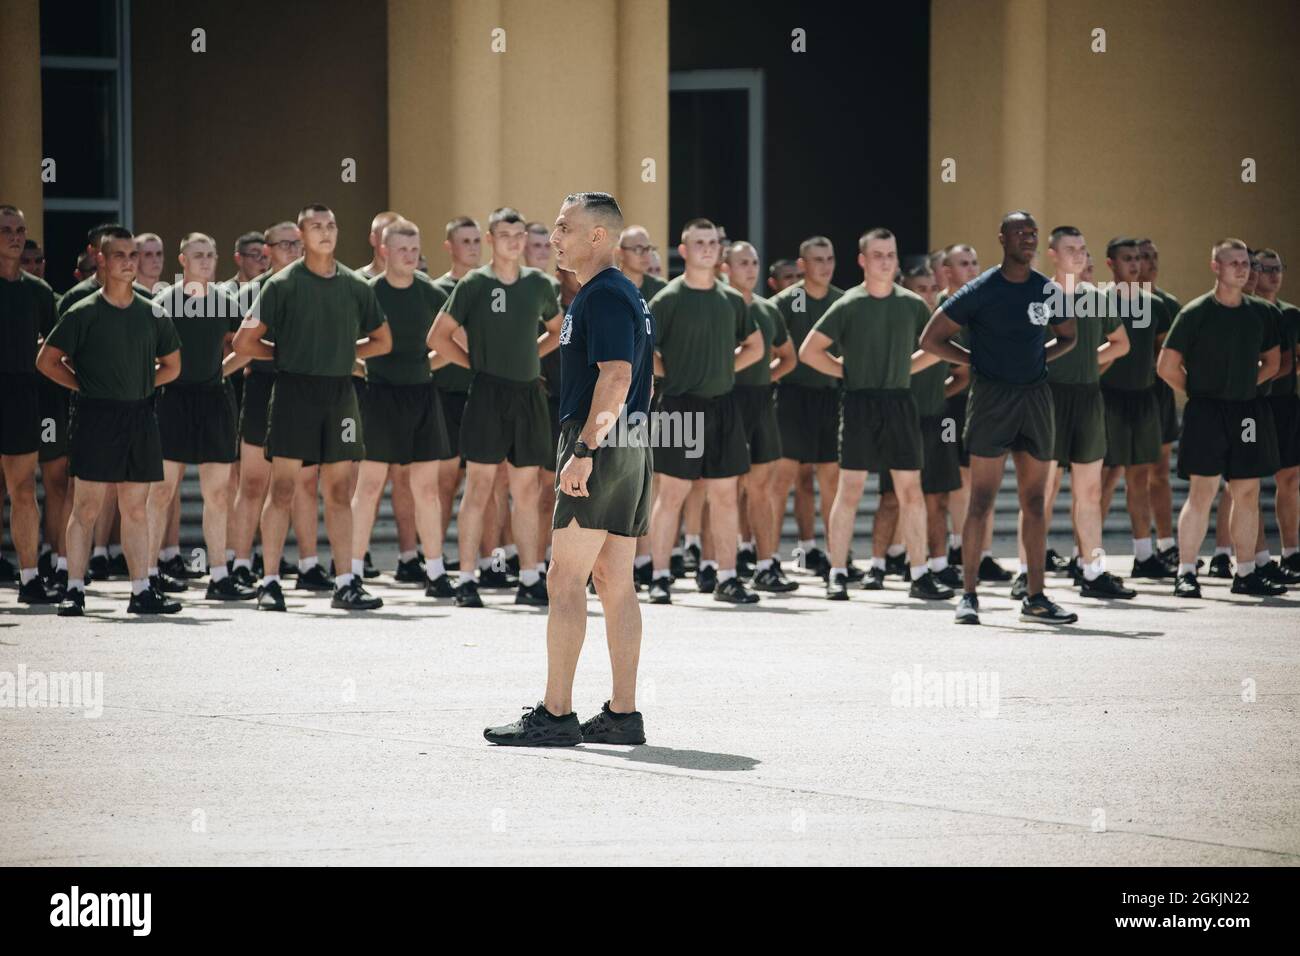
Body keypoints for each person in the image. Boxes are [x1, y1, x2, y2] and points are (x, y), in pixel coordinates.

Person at [484, 191, 653, 747]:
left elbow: (616, 377)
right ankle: (622, 716)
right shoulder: (617, 292)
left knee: (564, 580)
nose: (552, 237)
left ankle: (556, 716)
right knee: (614, 582)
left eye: (563, 227)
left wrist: (583, 451)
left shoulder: (603, 295)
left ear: (597, 236)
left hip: (599, 440)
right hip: (629, 441)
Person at [920, 210, 1080, 625]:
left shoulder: (1048, 290)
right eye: (1019, 233)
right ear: (1002, 238)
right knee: (981, 501)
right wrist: (976, 363)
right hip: (991, 400)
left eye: (1032, 233)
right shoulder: (981, 289)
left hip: (1035, 400)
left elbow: (1069, 337)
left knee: (1034, 503)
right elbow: (931, 339)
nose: (1027, 239)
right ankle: (969, 595)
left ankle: (1036, 597)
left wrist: (1033, 360)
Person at [232, 204, 392, 612]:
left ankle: (346, 583)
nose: (326, 232)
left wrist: (342, 353)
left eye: (331, 225)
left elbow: (383, 341)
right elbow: (244, 344)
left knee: (339, 491)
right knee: (282, 488)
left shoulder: (356, 286)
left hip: (341, 395)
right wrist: (286, 354)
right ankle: (269, 581)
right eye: (316, 226)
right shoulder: (283, 284)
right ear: (301, 236)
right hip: (293, 392)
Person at [36, 226, 183, 616]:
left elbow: (173, 366)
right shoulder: (82, 312)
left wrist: (137, 382)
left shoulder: (152, 310)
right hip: (94, 416)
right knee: (86, 508)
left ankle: (141, 591)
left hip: (139, 416)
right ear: (100, 259)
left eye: (133, 255)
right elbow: (47, 361)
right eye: (119, 255)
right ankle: (73, 589)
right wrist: (83, 386)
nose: (129, 262)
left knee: (135, 508)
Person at [801, 228, 953, 601]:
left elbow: (937, 346)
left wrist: (904, 369)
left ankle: (920, 574)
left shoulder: (912, 304)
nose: (886, 261)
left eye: (891, 254)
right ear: (863, 261)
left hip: (900, 402)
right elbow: (809, 351)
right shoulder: (849, 304)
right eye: (879, 254)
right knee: (849, 489)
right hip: (858, 403)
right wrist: (847, 372)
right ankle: (837, 573)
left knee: (910, 491)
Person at [427, 207, 562, 608]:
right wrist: (478, 364)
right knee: (480, 487)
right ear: (490, 239)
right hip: (486, 395)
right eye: (506, 234)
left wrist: (530, 359)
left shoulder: (539, 283)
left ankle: (529, 576)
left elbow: (558, 329)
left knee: (527, 490)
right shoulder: (473, 284)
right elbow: (438, 336)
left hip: (528, 396)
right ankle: (466, 578)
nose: (515, 241)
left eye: (520, 234)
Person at [645, 219, 763, 605]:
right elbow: (644, 352)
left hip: (724, 405)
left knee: (726, 496)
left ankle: (727, 577)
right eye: (699, 243)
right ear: (684, 250)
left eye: (713, 242)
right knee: (672, 494)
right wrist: (675, 373)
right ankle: (660, 575)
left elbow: (756, 347)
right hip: (680, 407)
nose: (708, 248)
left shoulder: (732, 299)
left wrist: (725, 369)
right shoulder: (667, 299)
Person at [1158, 238, 1283, 598]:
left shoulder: (1262, 313)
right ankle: (1186, 573)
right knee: (1202, 492)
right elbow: (1166, 366)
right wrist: (1202, 390)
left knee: (1246, 491)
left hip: (1246, 412)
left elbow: (1273, 363)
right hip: (1206, 412)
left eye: (1246, 263)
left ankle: (1245, 573)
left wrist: (1242, 385)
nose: (1243, 269)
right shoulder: (1195, 313)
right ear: (1215, 266)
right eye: (1234, 263)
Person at [1021, 226, 1135, 599]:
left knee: (1089, 491)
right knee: (1042, 492)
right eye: (1071, 249)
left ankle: (1093, 571)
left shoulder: (1096, 297)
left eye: (1083, 249)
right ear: (1052, 254)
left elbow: (1120, 344)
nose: (1079, 255)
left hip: (1087, 399)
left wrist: (1087, 360)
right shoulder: (1037, 295)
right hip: (1048, 399)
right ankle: (1027, 572)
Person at [145, 233, 255, 602]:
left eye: (211, 254)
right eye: (199, 255)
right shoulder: (163, 302)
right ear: (182, 260)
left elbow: (246, 347)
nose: (207, 261)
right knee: (161, 491)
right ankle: (148, 575)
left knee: (219, 493)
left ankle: (220, 576)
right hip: (173, 400)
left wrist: (221, 371)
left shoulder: (226, 302)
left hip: (215, 401)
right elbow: (146, 352)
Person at [354, 218, 456, 598]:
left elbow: (453, 342)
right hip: (378, 395)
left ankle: (435, 571)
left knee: (425, 488)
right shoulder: (366, 292)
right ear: (383, 251)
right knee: (368, 487)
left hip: (421, 396)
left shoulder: (431, 293)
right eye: (402, 250)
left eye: (415, 250)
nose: (410, 256)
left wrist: (422, 366)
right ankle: (351, 574)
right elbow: (344, 345)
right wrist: (363, 368)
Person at [871, 264, 967, 591]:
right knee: (890, 498)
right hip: (899, 420)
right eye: (918, 288)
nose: (926, 294)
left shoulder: (944, 327)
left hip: (938, 421)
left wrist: (937, 396)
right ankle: (877, 566)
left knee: (937, 496)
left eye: (929, 288)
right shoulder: (896, 326)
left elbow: (964, 374)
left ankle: (938, 565)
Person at [226, 221, 308, 589]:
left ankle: (302, 564)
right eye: (286, 244)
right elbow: (238, 347)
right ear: (268, 250)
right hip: (260, 388)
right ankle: (242, 563)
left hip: (302, 391)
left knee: (294, 485)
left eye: (298, 244)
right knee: (253, 483)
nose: (294, 250)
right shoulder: (252, 292)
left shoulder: (313, 288)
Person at [725, 240, 798, 592]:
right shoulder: (719, 305)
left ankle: (767, 564)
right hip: (725, 400)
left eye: (754, 262)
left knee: (761, 488)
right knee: (724, 488)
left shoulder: (769, 311)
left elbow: (789, 357)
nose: (750, 269)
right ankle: (720, 563)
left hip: (761, 401)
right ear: (726, 268)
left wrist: (765, 376)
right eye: (742, 263)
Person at [770, 237, 844, 577]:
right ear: (802, 265)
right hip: (790, 396)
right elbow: (766, 344)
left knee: (831, 481)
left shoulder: (842, 301)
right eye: (817, 259)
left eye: (829, 258)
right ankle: (768, 561)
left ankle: (835, 559)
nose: (825, 265)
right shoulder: (785, 301)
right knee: (781, 481)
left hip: (831, 397)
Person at [1097, 237, 1168, 580]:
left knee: (1140, 477)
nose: (1135, 264)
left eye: (1138, 258)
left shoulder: (1155, 304)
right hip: (1108, 399)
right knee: (1105, 478)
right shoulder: (1098, 302)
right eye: (1127, 258)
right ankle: (1090, 560)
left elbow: (1162, 352)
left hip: (1144, 399)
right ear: (1111, 263)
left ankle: (1144, 555)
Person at [0, 204, 61, 603]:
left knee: (24, 489)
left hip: (22, 395)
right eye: (6, 229)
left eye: (20, 229)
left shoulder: (39, 292)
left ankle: (29, 578)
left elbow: (52, 349)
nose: (16, 236)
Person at [1253, 249, 1300, 579]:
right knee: (1246, 482)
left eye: (1278, 268)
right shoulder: (1246, 311)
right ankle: (1256, 558)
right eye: (1266, 268)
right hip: (1252, 407)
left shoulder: (1292, 315)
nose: (1273, 274)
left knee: (1291, 478)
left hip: (1285, 405)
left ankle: (1291, 552)